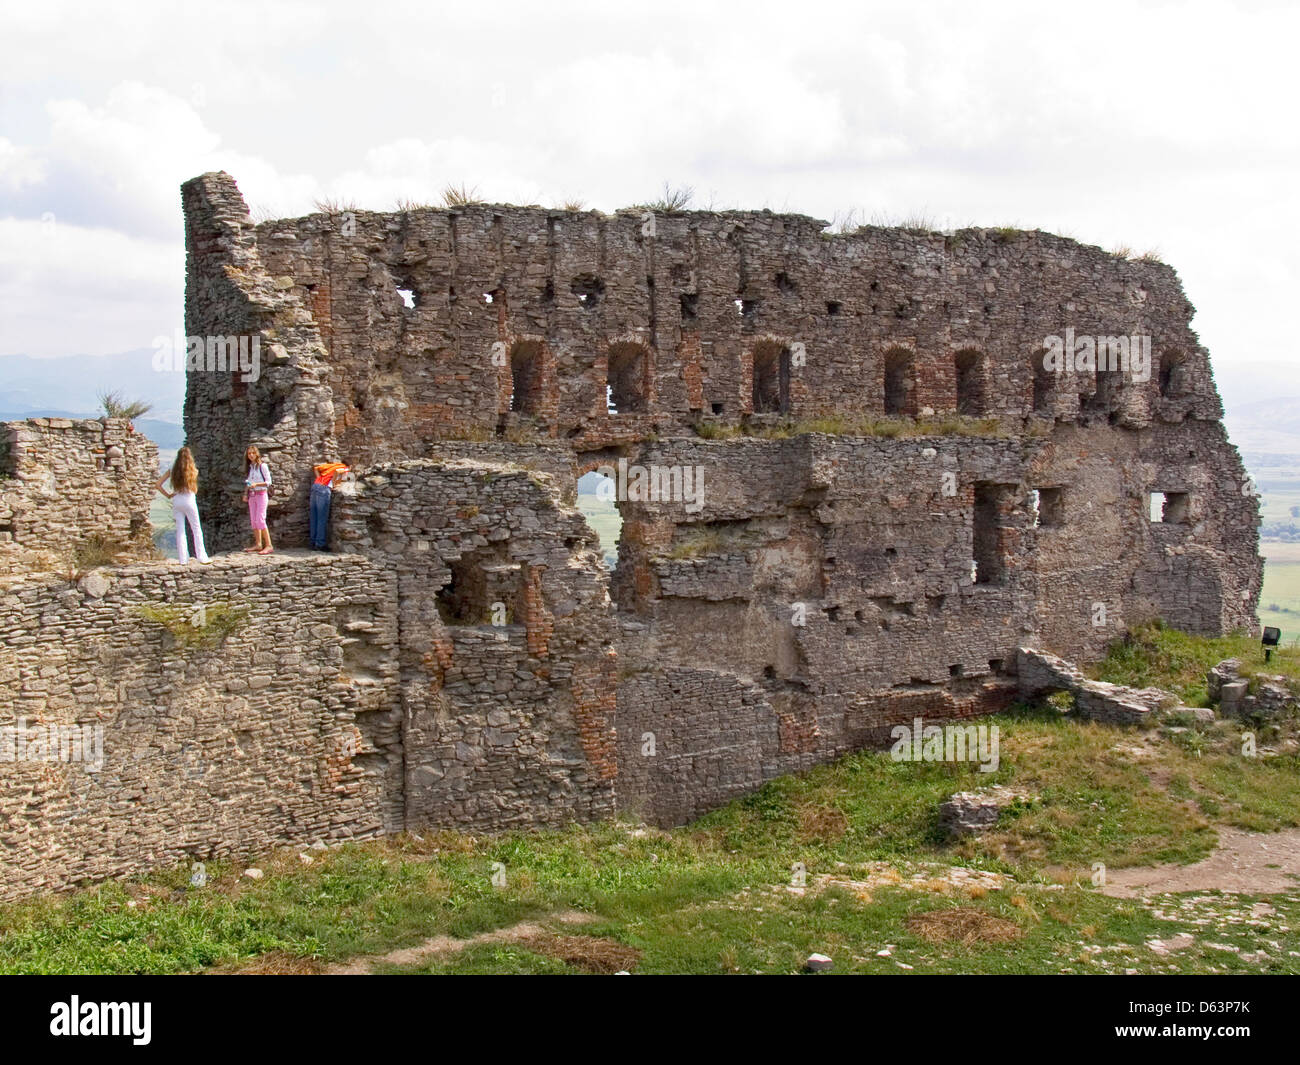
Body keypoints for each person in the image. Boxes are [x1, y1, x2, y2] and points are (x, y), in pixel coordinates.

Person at [155, 447, 212, 564]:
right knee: (196, 529)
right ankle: (202, 556)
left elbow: (158, 484)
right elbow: (194, 489)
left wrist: (168, 495)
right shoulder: (193, 470)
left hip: (176, 499)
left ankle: (182, 559)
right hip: (189, 499)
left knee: (180, 530)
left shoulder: (172, 470)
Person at [310, 461, 350, 550]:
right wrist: (334, 483)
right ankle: (319, 544)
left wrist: (319, 478)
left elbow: (316, 467)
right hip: (324, 489)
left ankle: (313, 542)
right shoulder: (344, 467)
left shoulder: (332, 465)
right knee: (322, 517)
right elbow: (338, 472)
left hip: (316, 486)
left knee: (314, 516)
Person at [241, 446, 274, 555]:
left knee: (260, 520)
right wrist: (246, 494)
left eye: (253, 453)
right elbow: (248, 482)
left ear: (257, 454)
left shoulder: (262, 466)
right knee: (254, 521)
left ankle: (269, 545)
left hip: (261, 494)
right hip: (252, 495)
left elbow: (268, 482)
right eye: (249, 453)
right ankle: (258, 544)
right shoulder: (251, 467)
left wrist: (257, 484)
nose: (251, 455)